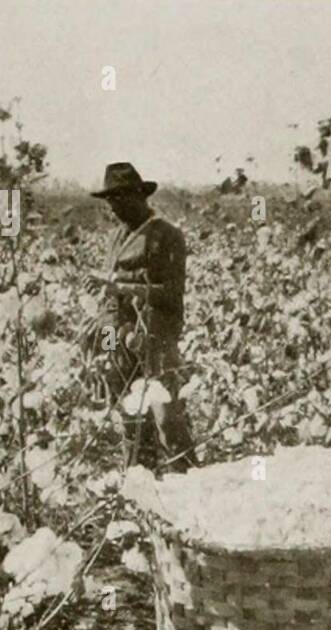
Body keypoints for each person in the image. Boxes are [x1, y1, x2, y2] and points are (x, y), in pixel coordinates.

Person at [84, 162, 196, 472]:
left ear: (139, 196)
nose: (114, 207)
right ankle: (140, 487)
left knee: (166, 418)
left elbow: (172, 293)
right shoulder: (117, 238)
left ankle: (188, 489)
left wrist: (122, 286)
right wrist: (107, 344)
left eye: (120, 198)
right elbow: (107, 303)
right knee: (131, 419)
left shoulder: (167, 236)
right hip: (121, 340)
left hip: (156, 339)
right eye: (110, 200)